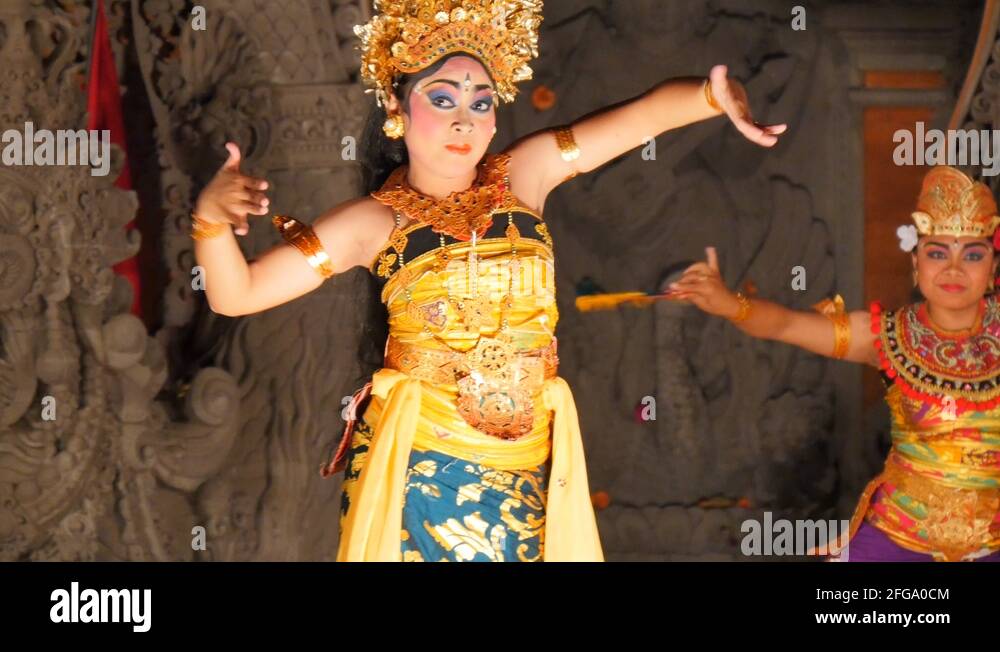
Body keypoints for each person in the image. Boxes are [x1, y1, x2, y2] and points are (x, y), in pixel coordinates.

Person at [190, 0, 786, 561]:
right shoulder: (374, 222)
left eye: (480, 103)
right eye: (442, 98)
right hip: (427, 469)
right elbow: (236, 294)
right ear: (397, 108)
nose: (463, 121)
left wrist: (713, 97)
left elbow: (639, 119)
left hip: (531, 465)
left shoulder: (525, 176)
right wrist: (209, 220)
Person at [671, 165, 1000, 561]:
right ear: (916, 264)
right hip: (897, 536)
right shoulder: (886, 336)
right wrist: (729, 304)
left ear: (993, 267)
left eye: (973, 254)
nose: (953, 269)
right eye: (937, 252)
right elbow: (787, 324)